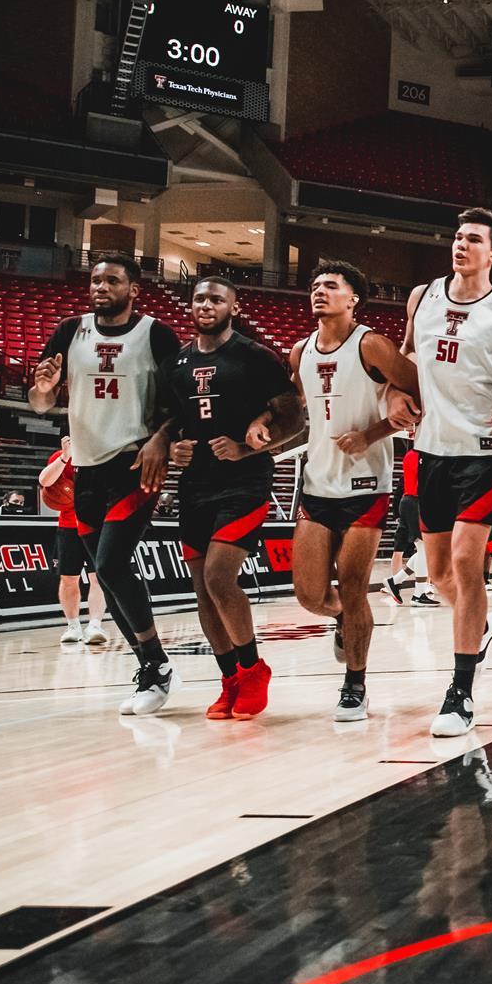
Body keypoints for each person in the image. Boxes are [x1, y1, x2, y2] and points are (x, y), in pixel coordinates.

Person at [405, 208, 492, 737]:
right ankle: (481, 627)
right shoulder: (423, 296)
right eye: (458, 237)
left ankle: (459, 693)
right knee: (438, 575)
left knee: (466, 562)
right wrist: (397, 393)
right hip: (430, 448)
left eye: (473, 239)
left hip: (485, 450)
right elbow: (407, 358)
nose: (461, 245)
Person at [28, 254, 180, 714]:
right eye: (95, 279)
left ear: (134, 289)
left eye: (112, 279)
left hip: (134, 465)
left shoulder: (155, 333)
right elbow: (38, 403)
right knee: (107, 577)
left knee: (112, 566)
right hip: (86, 474)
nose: (100, 286)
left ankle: (155, 665)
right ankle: (150, 667)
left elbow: (181, 402)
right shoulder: (69, 331)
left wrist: (161, 440)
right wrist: (46, 388)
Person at [155, 277, 304, 722]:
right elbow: (168, 423)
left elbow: (293, 417)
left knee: (221, 577)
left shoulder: (255, 357)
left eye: (216, 298)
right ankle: (229, 679)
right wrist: (172, 446)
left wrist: (249, 448)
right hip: (194, 484)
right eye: (200, 297)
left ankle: (254, 668)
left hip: (245, 481)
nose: (206, 304)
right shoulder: (176, 362)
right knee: (202, 589)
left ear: (233, 308)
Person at [289, 261, 420, 723]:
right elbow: (295, 415)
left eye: (330, 286)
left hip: (367, 482)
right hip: (317, 483)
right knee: (308, 594)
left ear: (353, 299)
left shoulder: (372, 345)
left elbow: (421, 391)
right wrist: (261, 430)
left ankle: (355, 684)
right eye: (314, 285)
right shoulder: (299, 351)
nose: (319, 292)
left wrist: (376, 430)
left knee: (352, 585)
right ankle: (349, 618)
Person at [39, 437, 109, 645]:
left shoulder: (102, 457)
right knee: (69, 578)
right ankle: (73, 626)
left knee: (97, 577)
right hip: (69, 526)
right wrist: (64, 457)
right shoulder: (60, 457)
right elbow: (44, 481)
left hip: (97, 524)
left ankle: (95, 624)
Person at [384, 445, 437, 605]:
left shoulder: (412, 454)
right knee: (424, 548)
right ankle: (418, 594)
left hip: (410, 502)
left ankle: (395, 581)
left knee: (424, 549)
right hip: (415, 502)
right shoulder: (422, 456)